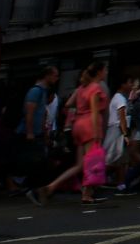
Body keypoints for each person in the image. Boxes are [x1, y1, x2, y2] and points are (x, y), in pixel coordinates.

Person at [36, 62, 108, 204]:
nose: (106, 72)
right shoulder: (96, 88)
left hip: (78, 125)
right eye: (105, 70)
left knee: (80, 164)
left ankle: (51, 187)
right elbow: (94, 111)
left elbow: (68, 104)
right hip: (89, 126)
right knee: (92, 162)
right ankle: (87, 195)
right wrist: (97, 132)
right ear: (99, 72)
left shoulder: (81, 88)